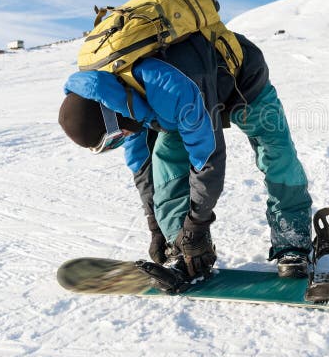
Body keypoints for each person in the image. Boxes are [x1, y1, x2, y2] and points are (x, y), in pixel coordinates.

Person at [57, 31, 313, 280]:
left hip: (243, 80)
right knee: (165, 161)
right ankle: (182, 249)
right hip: (188, 96)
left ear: (112, 116)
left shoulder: (169, 87)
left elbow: (208, 158)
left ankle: (292, 240)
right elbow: (142, 168)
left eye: (113, 138)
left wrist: (197, 226)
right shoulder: (123, 100)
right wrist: (156, 227)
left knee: (276, 152)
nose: (120, 140)